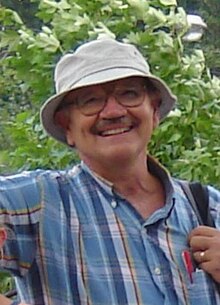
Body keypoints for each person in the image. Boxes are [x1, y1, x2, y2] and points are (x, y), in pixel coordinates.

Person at [0, 38, 220, 305]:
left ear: (154, 111)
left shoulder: (208, 208)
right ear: (67, 126)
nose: (114, 111)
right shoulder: (38, 203)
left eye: (129, 93)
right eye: (91, 100)